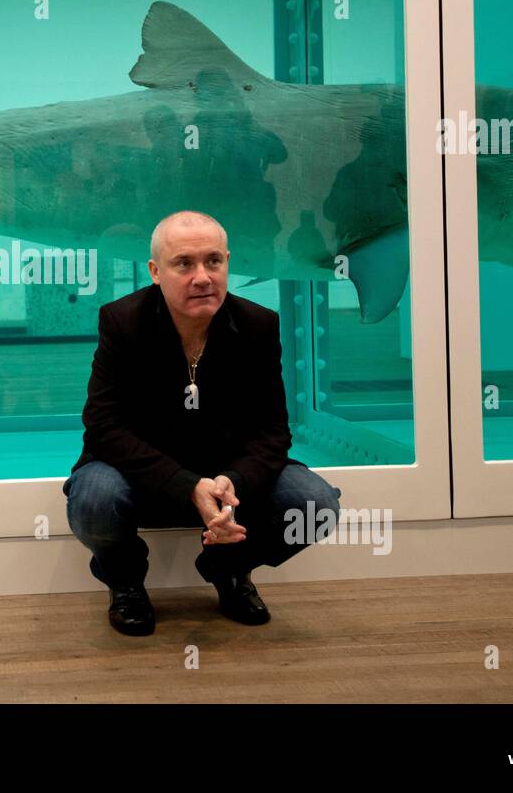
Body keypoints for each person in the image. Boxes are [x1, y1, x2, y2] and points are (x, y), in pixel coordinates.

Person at [63, 210, 341, 635]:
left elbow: (273, 432)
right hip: (142, 476)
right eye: (184, 264)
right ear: (156, 272)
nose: (202, 277)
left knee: (316, 504)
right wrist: (186, 485)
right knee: (94, 498)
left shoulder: (258, 325)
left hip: (225, 479)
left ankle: (227, 569)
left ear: (227, 262)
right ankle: (126, 583)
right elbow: (104, 427)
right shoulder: (122, 321)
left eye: (214, 261)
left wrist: (233, 482)